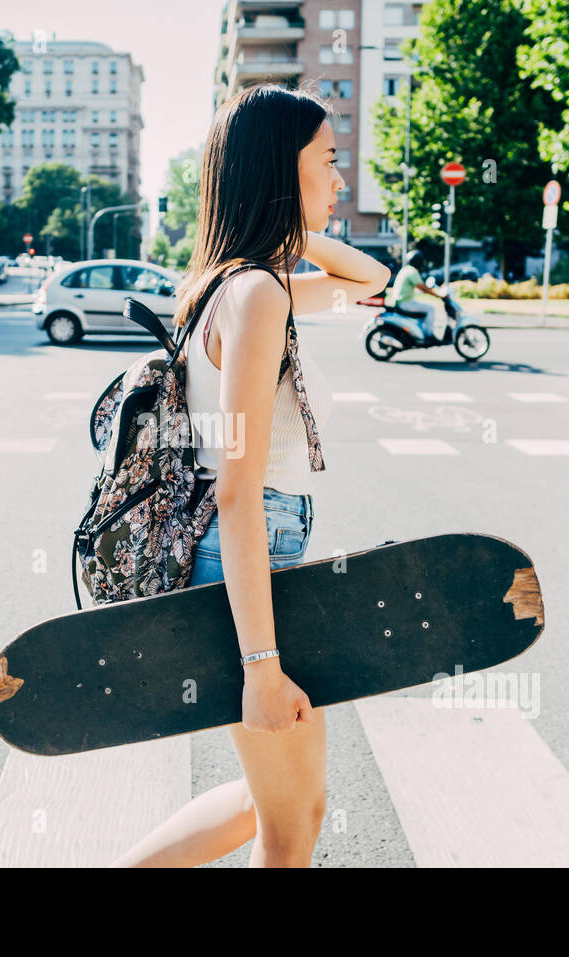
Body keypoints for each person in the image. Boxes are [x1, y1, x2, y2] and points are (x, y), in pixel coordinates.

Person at [109, 84, 391, 869]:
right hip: (251, 556)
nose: (341, 182)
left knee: (271, 804)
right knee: (293, 822)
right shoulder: (259, 294)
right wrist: (261, 667)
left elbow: (371, 280)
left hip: (241, 558)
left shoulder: (222, 286)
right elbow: (235, 487)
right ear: (279, 168)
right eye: (328, 163)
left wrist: (295, 224)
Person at [384, 249, 451, 342]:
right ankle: (429, 335)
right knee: (430, 309)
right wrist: (439, 295)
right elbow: (423, 288)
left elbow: (421, 288)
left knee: (424, 309)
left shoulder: (405, 269)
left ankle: (422, 331)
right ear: (418, 262)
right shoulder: (412, 271)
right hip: (405, 302)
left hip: (401, 301)